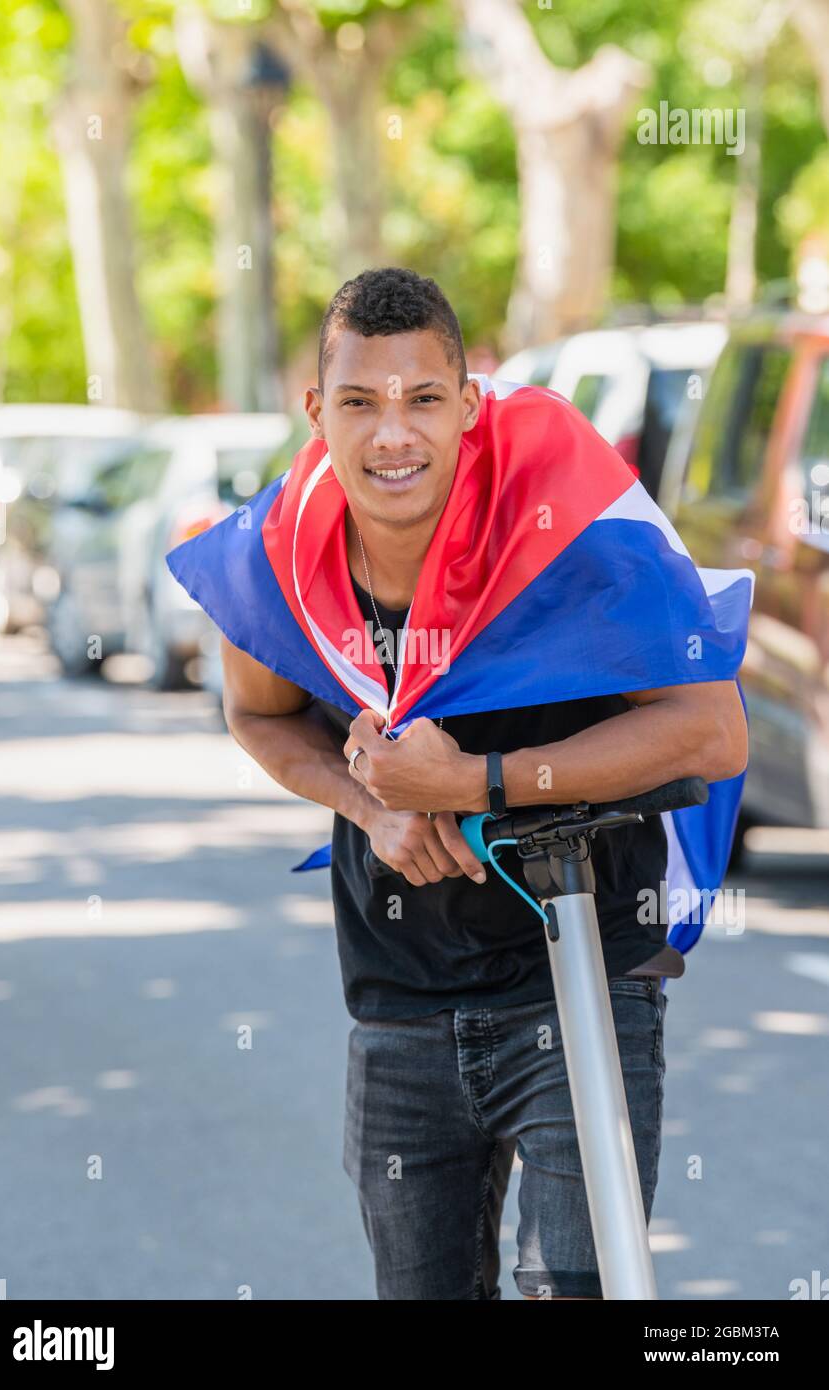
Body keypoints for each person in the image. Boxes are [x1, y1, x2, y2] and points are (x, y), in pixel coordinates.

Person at [213, 267, 749, 1300]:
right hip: (399, 1002)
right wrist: (370, 803)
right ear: (316, 411)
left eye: (422, 399)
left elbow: (710, 731)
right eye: (361, 402)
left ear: (468, 403)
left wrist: (476, 779)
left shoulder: (567, 532)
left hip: (582, 975)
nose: (392, 435)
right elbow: (258, 710)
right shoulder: (293, 547)